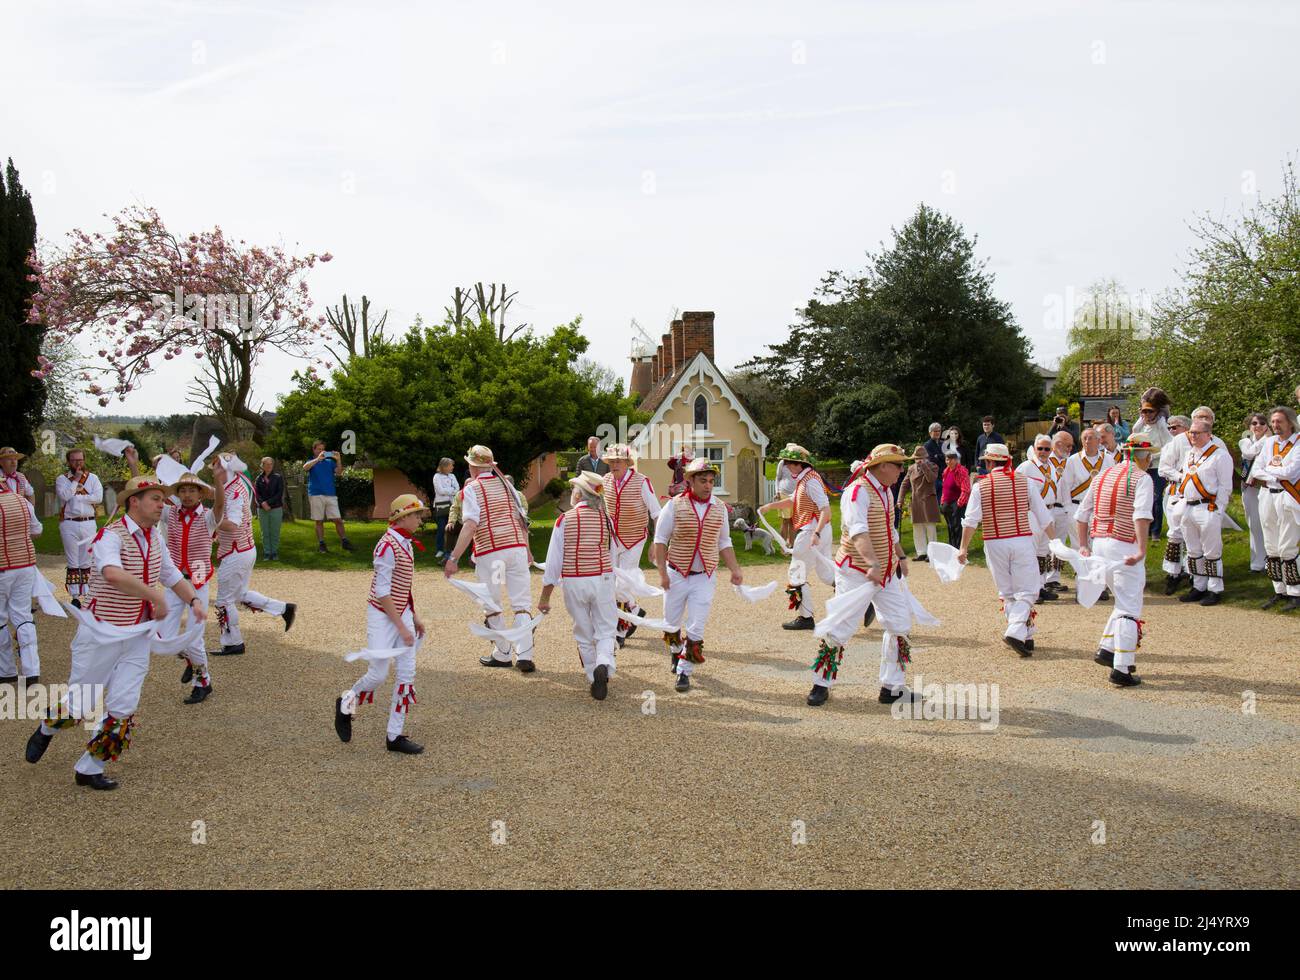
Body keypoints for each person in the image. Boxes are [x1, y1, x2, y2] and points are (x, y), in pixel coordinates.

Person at [24, 475, 207, 790]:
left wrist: (193, 600)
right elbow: (112, 574)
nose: (162, 504)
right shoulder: (110, 535)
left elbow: (172, 574)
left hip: (137, 634)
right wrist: (155, 596)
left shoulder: (155, 538)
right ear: (134, 501)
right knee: (80, 704)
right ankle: (46, 728)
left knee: (123, 706)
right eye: (156, 498)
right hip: (101, 633)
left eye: (163, 499)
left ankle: (90, 767)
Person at [807, 444, 922, 707]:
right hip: (856, 569)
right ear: (882, 466)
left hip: (885, 571)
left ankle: (892, 687)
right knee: (840, 628)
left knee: (899, 624)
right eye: (898, 465)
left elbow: (889, 529)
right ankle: (821, 684)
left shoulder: (886, 491)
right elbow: (857, 531)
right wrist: (872, 563)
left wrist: (900, 557)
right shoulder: (857, 491)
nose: (902, 470)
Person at [334, 493, 428, 755]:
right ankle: (346, 702)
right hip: (381, 615)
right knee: (378, 674)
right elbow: (383, 592)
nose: (420, 520)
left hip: (401, 612)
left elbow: (403, 587)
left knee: (407, 675)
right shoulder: (386, 546)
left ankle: (394, 735)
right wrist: (400, 626)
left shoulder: (406, 543)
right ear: (404, 517)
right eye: (417, 515)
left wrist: (413, 616)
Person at [127, 446, 218, 702]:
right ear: (177, 494)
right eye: (183, 490)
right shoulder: (170, 514)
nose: (187, 495)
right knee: (164, 639)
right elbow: (144, 496)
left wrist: (220, 480)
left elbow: (220, 505)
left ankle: (204, 682)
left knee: (193, 637)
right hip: (176, 582)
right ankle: (190, 660)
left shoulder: (209, 517)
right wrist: (134, 465)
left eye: (192, 490)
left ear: (201, 493)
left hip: (198, 583)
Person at [653, 457, 744, 692]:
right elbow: (660, 540)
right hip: (676, 573)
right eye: (703, 480)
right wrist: (662, 573)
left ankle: (685, 671)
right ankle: (676, 651)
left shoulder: (719, 508)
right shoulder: (674, 505)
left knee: (696, 625)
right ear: (690, 480)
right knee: (671, 622)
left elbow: (724, 541)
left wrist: (735, 569)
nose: (708, 485)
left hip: (705, 574)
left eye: (712, 481)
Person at [957, 442, 1056, 656]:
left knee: (1007, 591)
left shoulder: (980, 486)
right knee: (1029, 590)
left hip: (994, 541)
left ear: (991, 462)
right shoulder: (1026, 483)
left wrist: (963, 548)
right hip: (1021, 539)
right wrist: (1054, 542)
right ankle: (1016, 630)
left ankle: (1025, 635)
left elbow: (971, 521)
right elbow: (1043, 516)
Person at [444, 445, 537, 671]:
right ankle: (525, 654)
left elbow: (470, 525)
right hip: (516, 548)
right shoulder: (508, 486)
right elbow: (522, 520)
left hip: (491, 551)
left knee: (492, 604)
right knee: (521, 604)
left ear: (472, 466)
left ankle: (503, 653)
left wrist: (454, 557)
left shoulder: (472, 489)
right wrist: (527, 549)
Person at [1075, 435, 1155, 687]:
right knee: (1130, 606)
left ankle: (1108, 648)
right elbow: (1141, 515)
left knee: (1121, 600)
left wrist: (1083, 545)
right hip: (1123, 544)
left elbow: (1081, 514)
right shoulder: (1142, 478)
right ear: (1146, 457)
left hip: (1099, 543)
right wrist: (1142, 548)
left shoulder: (1102, 476)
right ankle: (1122, 667)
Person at [538, 473, 619, 700]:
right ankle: (604, 662)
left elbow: (554, 561)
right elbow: (612, 555)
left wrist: (545, 597)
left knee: (583, 631)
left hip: (574, 579)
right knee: (605, 629)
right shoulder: (607, 519)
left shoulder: (565, 519)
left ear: (578, 493)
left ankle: (594, 677)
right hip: (602, 577)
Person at [210, 453, 296, 656]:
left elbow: (232, 524)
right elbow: (218, 498)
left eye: (216, 468)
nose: (213, 472)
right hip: (241, 550)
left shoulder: (235, 491)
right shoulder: (232, 485)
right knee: (239, 595)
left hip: (236, 551)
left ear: (226, 469)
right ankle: (284, 608)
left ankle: (233, 643)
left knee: (224, 600)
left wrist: (206, 520)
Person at [757, 444, 831, 630]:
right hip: (817, 530)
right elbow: (793, 500)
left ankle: (806, 617)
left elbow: (826, 510)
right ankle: (857, 597)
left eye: (789, 463)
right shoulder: (804, 479)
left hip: (811, 530)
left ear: (799, 464)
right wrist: (769, 507)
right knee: (825, 572)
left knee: (796, 572)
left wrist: (816, 533)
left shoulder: (810, 481)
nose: (787, 467)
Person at [601, 444, 661, 647]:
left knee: (622, 584)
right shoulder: (605, 481)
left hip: (635, 538)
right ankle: (635, 610)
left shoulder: (642, 482)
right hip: (613, 540)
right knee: (609, 583)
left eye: (618, 461)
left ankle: (620, 629)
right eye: (611, 461)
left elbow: (657, 514)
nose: (614, 465)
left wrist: (656, 542)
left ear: (628, 463)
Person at [1174, 416, 1233, 605]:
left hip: (1207, 506)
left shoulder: (1220, 455)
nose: (1192, 436)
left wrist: (1217, 510)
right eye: (1191, 432)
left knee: (1212, 551)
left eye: (1197, 433)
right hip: (1188, 507)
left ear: (1208, 435)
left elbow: (1225, 487)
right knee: (1193, 550)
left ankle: (1214, 589)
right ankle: (1198, 586)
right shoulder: (1190, 454)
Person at [1249, 406, 1300, 611]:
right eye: (1274, 421)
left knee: (1288, 544)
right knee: (1271, 545)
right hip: (1268, 495)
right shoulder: (1269, 443)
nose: (1275, 425)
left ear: (1290, 422)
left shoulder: (1298, 443)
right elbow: (1255, 470)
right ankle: (1279, 590)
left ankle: (1295, 593)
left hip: (1288, 496)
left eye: (1279, 421)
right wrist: (1274, 473)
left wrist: (1269, 470)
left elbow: (1291, 471)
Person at [0, 473, 42, 684]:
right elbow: (37, 529)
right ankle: (31, 670)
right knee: (23, 615)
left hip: (2, 567)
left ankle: (6, 670)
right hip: (25, 565)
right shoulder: (20, 500)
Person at [1015, 435, 1061, 603]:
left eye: (1047, 449)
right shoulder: (1026, 467)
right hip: (1032, 515)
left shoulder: (1053, 467)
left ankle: (1041, 586)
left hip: (1049, 512)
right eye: (1040, 448)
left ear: (1051, 450)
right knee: (1031, 552)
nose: (1043, 452)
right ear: (1034, 449)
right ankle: (1030, 589)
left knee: (1043, 552)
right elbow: (1016, 489)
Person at [55, 448, 103, 601]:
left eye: (80, 460)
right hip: (69, 523)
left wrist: (79, 498)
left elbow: (98, 498)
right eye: (75, 460)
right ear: (69, 462)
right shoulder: (62, 479)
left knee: (87, 560)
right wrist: (75, 480)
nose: (78, 463)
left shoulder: (93, 478)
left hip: (89, 522)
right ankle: (75, 596)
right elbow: (64, 495)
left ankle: (87, 594)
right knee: (73, 560)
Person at [1130, 389, 1174, 538]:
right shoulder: (1141, 424)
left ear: (1156, 411)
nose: (1147, 415)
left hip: (1157, 467)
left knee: (1156, 497)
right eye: (1144, 412)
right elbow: (1134, 439)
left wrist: (1152, 457)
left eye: (1150, 411)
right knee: (1142, 497)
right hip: (1141, 466)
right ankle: (1144, 529)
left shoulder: (1162, 425)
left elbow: (1169, 447)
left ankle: (1155, 530)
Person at [303, 440, 354, 553]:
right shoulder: (311, 461)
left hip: (330, 494)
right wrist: (317, 459)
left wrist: (338, 460)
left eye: (323, 449)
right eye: (319, 449)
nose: (321, 451)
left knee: (338, 520)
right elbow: (305, 467)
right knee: (319, 520)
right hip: (316, 494)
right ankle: (322, 544)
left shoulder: (330, 462)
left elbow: (339, 472)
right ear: (314, 450)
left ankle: (344, 541)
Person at [1239, 413, 1270, 573]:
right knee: (1254, 525)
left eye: (1262, 423)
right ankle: (1256, 562)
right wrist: (1266, 439)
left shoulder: (1273, 442)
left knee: (1267, 523)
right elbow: (1249, 453)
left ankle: (1269, 561)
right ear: (1249, 426)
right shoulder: (1245, 441)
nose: (1258, 426)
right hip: (1249, 487)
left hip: (1265, 487)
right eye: (1254, 423)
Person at [902, 445, 940, 561]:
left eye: (921, 458)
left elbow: (931, 479)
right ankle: (921, 552)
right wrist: (900, 499)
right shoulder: (911, 468)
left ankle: (932, 553)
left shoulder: (933, 466)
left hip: (929, 500)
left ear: (926, 458)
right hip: (916, 501)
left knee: (930, 528)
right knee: (917, 528)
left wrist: (924, 466)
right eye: (917, 458)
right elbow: (905, 484)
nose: (918, 461)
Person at [254, 457, 284, 561]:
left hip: (275, 508)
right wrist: (262, 503)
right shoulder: (258, 478)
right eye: (266, 464)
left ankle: (274, 552)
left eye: (270, 464)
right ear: (262, 465)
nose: (269, 466)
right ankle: (267, 552)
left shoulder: (278, 477)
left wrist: (268, 503)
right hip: (262, 509)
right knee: (265, 531)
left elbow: (279, 493)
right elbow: (256, 494)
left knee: (274, 531)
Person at [939, 450, 971, 544]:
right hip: (947, 503)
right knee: (950, 526)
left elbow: (966, 489)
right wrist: (942, 502)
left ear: (956, 460)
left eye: (952, 459)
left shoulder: (962, 471)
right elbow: (945, 488)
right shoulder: (946, 471)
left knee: (958, 527)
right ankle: (952, 546)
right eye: (947, 459)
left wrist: (959, 504)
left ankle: (958, 548)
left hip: (957, 503)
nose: (949, 461)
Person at [431, 458, 459, 559]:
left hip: (452, 505)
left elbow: (457, 489)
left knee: (451, 528)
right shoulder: (436, 476)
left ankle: (450, 549)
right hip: (441, 505)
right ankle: (439, 550)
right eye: (451, 465)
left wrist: (449, 490)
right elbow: (440, 491)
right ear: (445, 466)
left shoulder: (452, 476)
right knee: (441, 528)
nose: (452, 467)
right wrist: (451, 490)